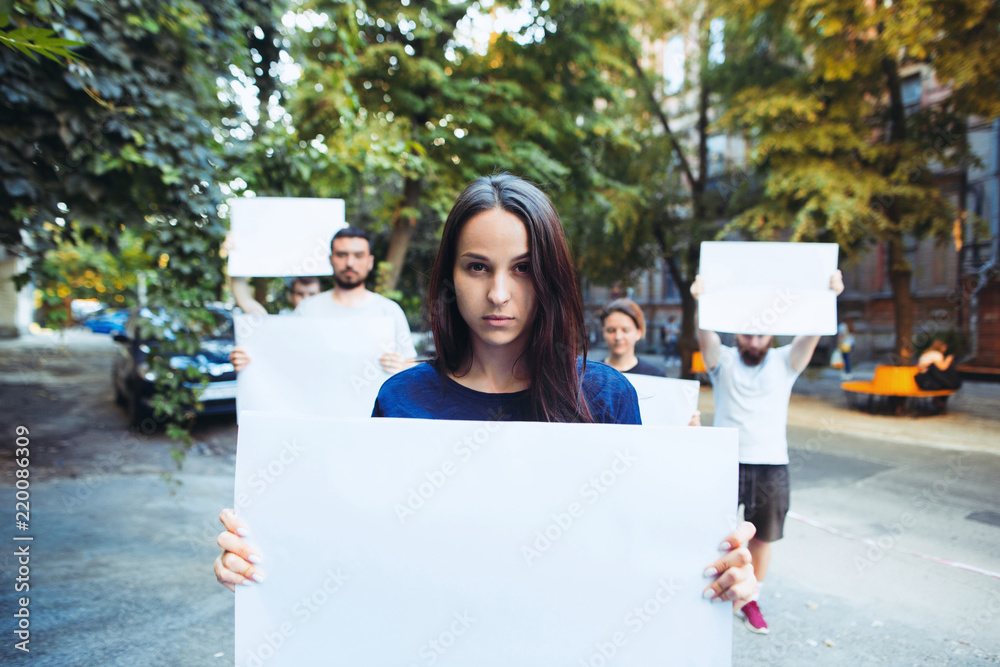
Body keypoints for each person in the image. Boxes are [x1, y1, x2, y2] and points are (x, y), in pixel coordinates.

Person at [216, 174, 759, 616]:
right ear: (451, 276)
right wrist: (265, 559)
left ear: (550, 277)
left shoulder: (606, 397)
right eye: (478, 267)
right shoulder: (402, 399)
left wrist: (713, 566)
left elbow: (636, 550)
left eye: (523, 269)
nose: (499, 293)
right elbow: (364, 546)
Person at [691, 269, 844, 635]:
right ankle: (711, 592)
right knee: (715, 533)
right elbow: (705, 332)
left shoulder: (785, 362)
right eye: (746, 332)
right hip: (724, 461)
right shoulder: (722, 361)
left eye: (760, 332)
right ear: (737, 334)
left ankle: (749, 599)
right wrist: (700, 299)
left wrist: (830, 296)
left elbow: (813, 331)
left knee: (761, 538)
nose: (753, 338)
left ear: (771, 335)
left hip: (771, 465)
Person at [230, 226, 417, 374]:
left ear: (370, 261)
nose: (350, 263)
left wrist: (402, 366)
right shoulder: (308, 309)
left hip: (373, 417)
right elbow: (284, 358)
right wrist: (249, 359)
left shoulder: (389, 311)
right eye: (342, 255)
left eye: (358, 255)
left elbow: (411, 364)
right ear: (331, 259)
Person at [600, 299, 665, 377]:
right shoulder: (591, 376)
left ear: (638, 332)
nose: (618, 337)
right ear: (604, 332)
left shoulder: (655, 376)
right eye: (611, 330)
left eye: (625, 330)